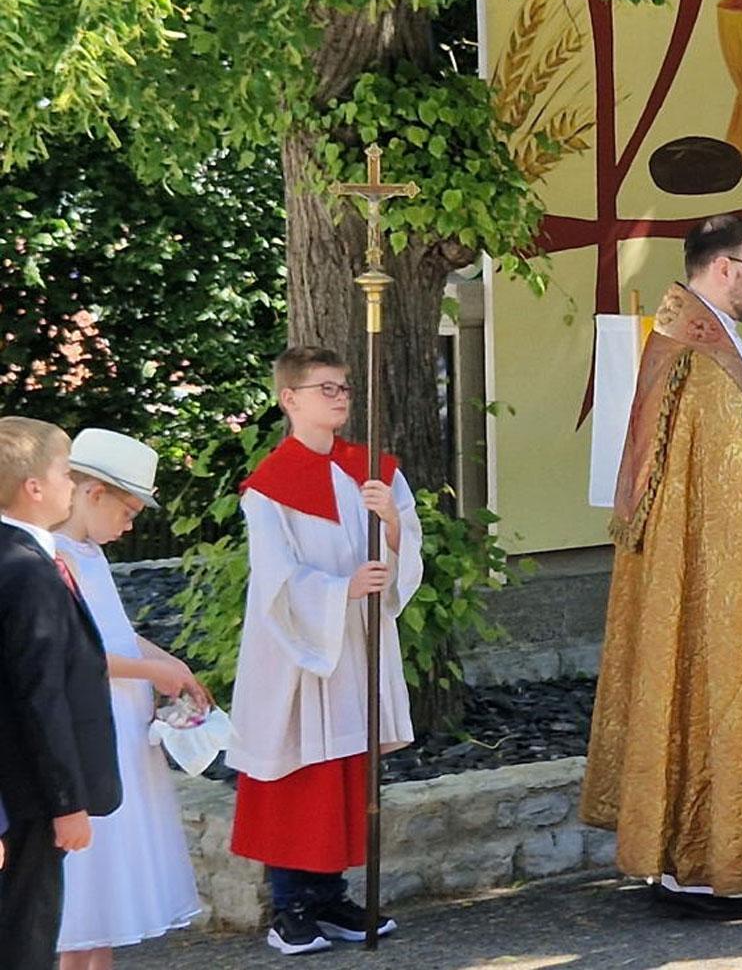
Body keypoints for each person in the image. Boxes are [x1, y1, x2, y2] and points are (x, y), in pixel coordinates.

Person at [583, 214, 742, 923]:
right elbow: (729, 470)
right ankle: (704, 869)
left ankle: (714, 863)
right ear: (723, 267)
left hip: (716, 561)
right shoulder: (695, 351)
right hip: (709, 573)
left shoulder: (706, 339)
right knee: (711, 694)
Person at [225, 348, 424, 955]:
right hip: (299, 651)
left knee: (345, 768)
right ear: (290, 399)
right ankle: (289, 908)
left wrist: (390, 525)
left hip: (355, 647)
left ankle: (331, 896)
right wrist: (341, 590)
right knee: (299, 772)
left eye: (344, 388)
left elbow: (407, 546)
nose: (339, 397)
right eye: (326, 388)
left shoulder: (374, 471)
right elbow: (276, 579)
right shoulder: (269, 488)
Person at [54, 429, 207, 967]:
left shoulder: (89, 553)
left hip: (121, 724)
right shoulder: (51, 557)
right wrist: (150, 670)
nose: (132, 522)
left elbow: (112, 632)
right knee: (87, 879)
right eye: (129, 507)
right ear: (93, 491)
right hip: (89, 724)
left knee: (108, 883)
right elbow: (74, 654)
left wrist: (170, 662)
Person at [0, 417, 121, 968]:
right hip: (26, 796)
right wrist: (66, 803)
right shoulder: (26, 571)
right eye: (64, 473)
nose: (72, 485)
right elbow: (38, 694)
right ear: (34, 487)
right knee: (25, 935)